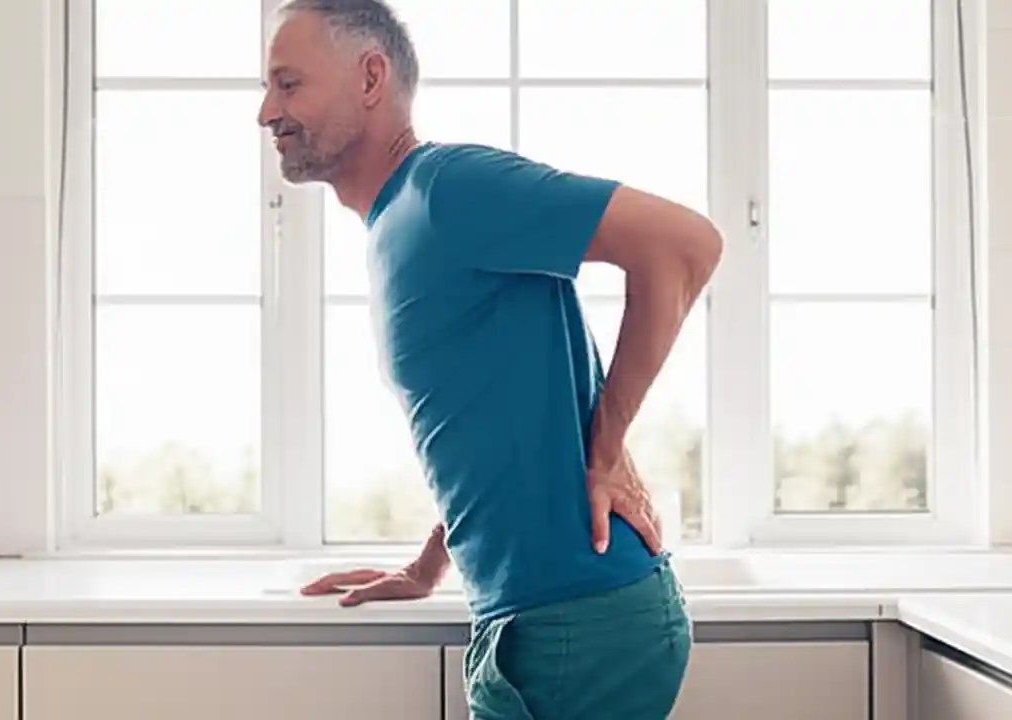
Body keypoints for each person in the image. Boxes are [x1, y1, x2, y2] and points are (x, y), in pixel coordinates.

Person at [259, 1, 722, 717]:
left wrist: (605, 448)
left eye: (289, 85)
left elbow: (684, 245)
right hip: (542, 619)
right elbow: (488, 429)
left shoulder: (448, 190)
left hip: (580, 619)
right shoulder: (401, 224)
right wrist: (427, 567)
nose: (267, 111)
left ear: (371, 77)